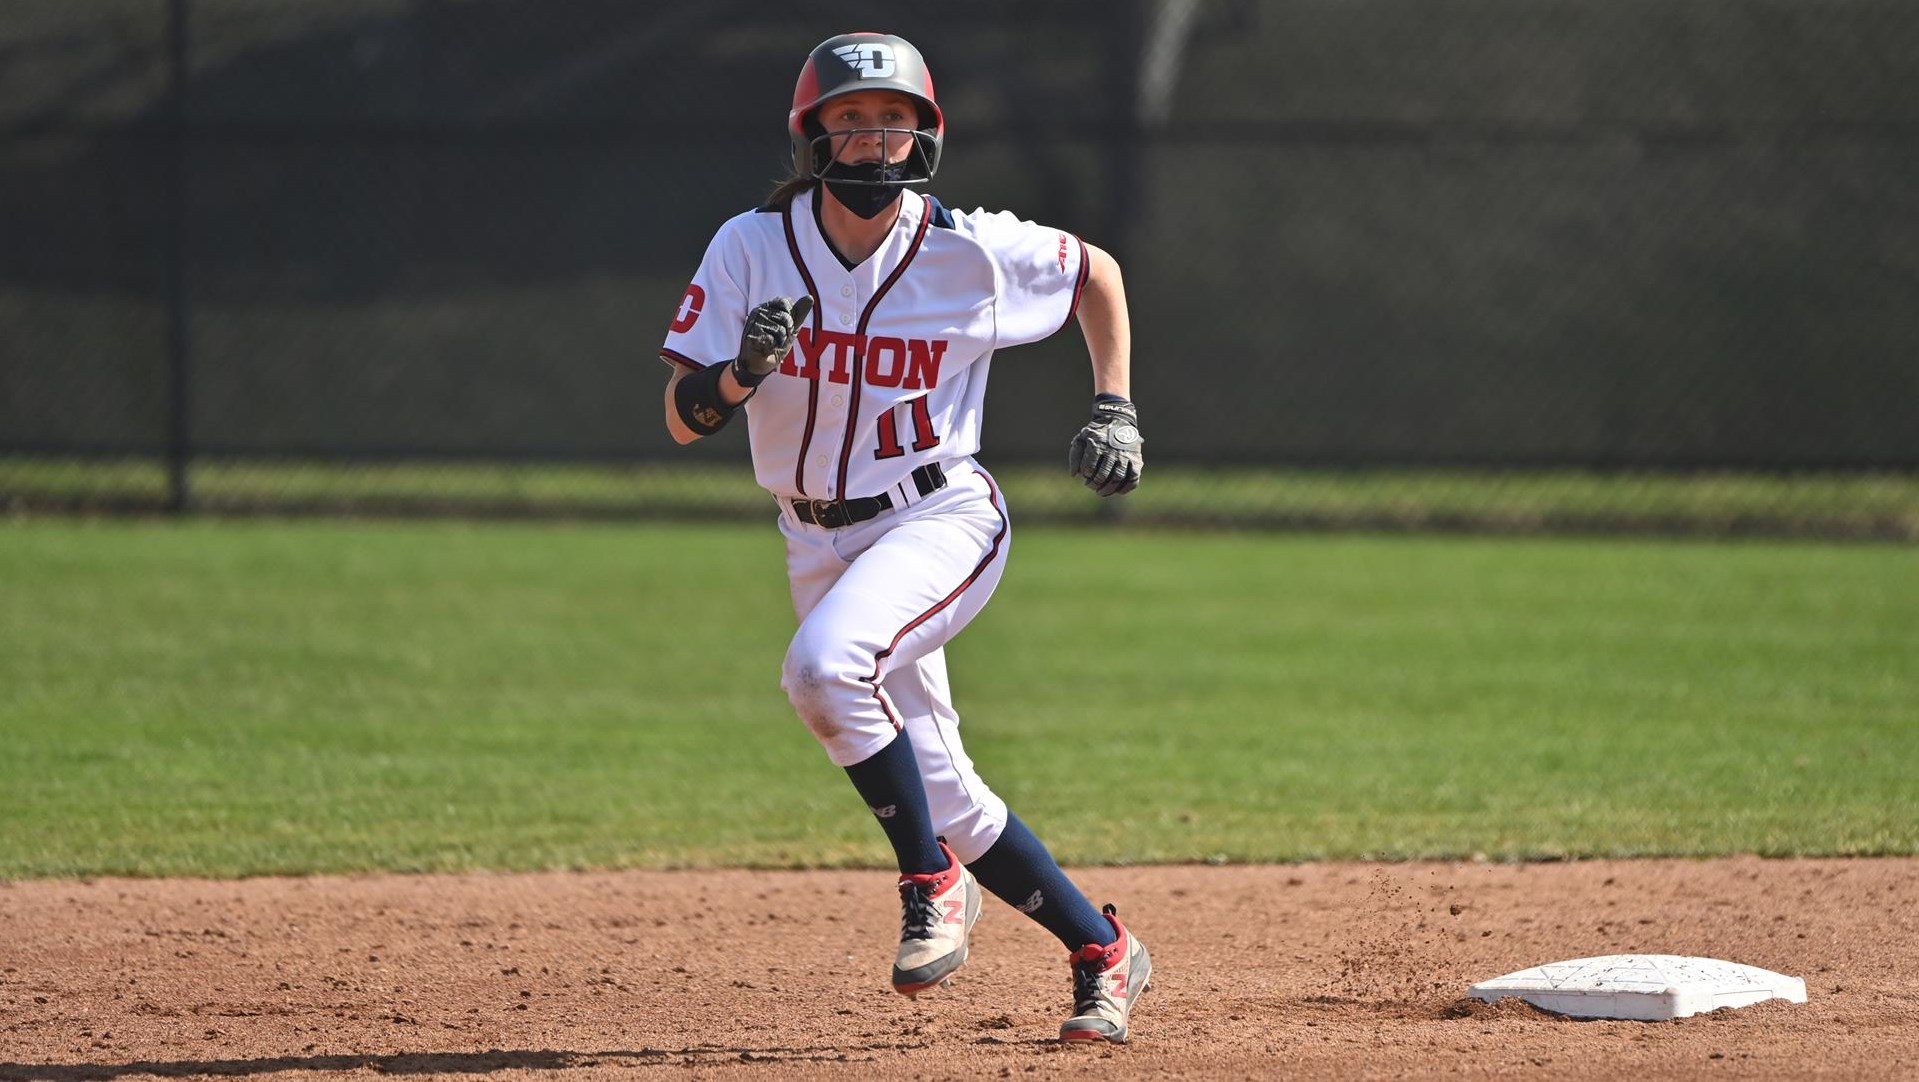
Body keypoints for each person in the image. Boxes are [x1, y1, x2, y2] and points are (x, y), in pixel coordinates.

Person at [658, 31, 1150, 1044]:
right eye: (849, 120)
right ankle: (1102, 948)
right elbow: (680, 414)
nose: (873, 141)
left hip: (938, 514)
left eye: (894, 122)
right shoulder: (748, 247)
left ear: (922, 136)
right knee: (944, 792)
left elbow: (1094, 271)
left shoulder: (967, 247)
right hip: (814, 538)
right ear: (813, 137)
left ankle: (928, 881)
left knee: (824, 670)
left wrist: (1114, 405)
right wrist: (744, 372)